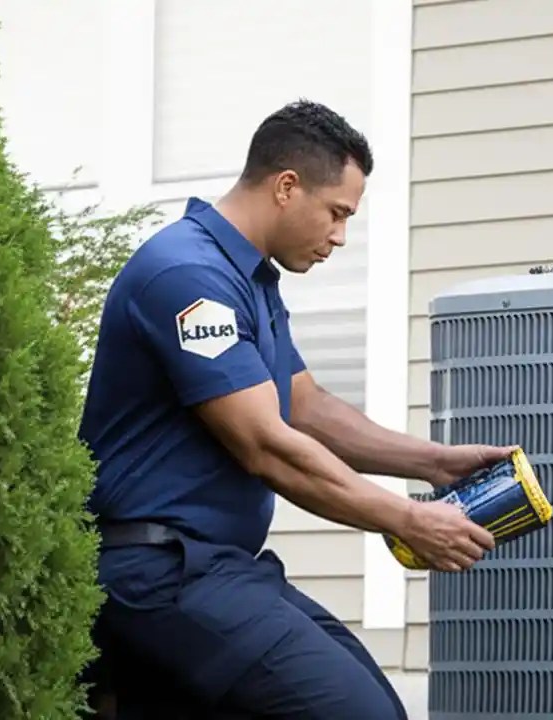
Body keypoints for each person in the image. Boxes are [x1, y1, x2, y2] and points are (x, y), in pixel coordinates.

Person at [77, 99, 511, 719]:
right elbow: (266, 444)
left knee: (378, 705)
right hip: (157, 570)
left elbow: (304, 407)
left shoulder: (248, 280)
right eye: (336, 213)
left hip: (214, 568)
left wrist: (433, 464)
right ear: (286, 186)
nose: (339, 236)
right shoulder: (186, 276)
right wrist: (406, 520)